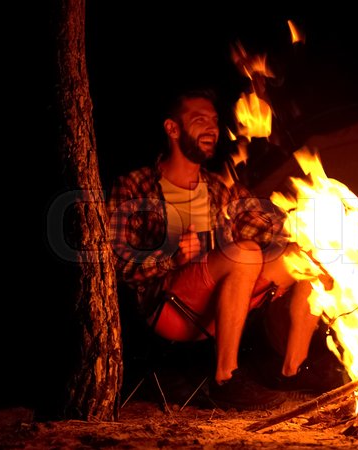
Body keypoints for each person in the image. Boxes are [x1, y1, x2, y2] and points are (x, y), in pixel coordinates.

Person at [107, 88, 321, 410]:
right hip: (167, 308)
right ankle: (226, 379)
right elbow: (117, 264)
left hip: (218, 302)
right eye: (199, 120)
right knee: (245, 252)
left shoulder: (219, 189)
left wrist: (308, 225)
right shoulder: (135, 186)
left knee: (308, 256)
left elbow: (265, 225)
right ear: (172, 128)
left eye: (214, 121)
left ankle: (292, 372)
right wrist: (171, 259)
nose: (211, 128)